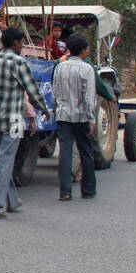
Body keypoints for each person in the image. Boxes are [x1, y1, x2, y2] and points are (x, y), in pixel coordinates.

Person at [0, 26, 49, 220]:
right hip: (14, 120)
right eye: (22, 43)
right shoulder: (19, 62)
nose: (22, 46)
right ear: (16, 43)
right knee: (5, 162)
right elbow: (31, 90)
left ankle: (11, 200)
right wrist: (44, 109)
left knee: (3, 161)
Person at [53, 34, 98, 202]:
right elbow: (89, 97)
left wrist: (56, 109)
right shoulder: (87, 69)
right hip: (81, 116)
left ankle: (65, 191)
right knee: (86, 150)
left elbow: (55, 91)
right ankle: (88, 189)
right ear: (83, 51)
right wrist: (91, 119)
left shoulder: (60, 67)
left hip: (63, 115)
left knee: (65, 152)